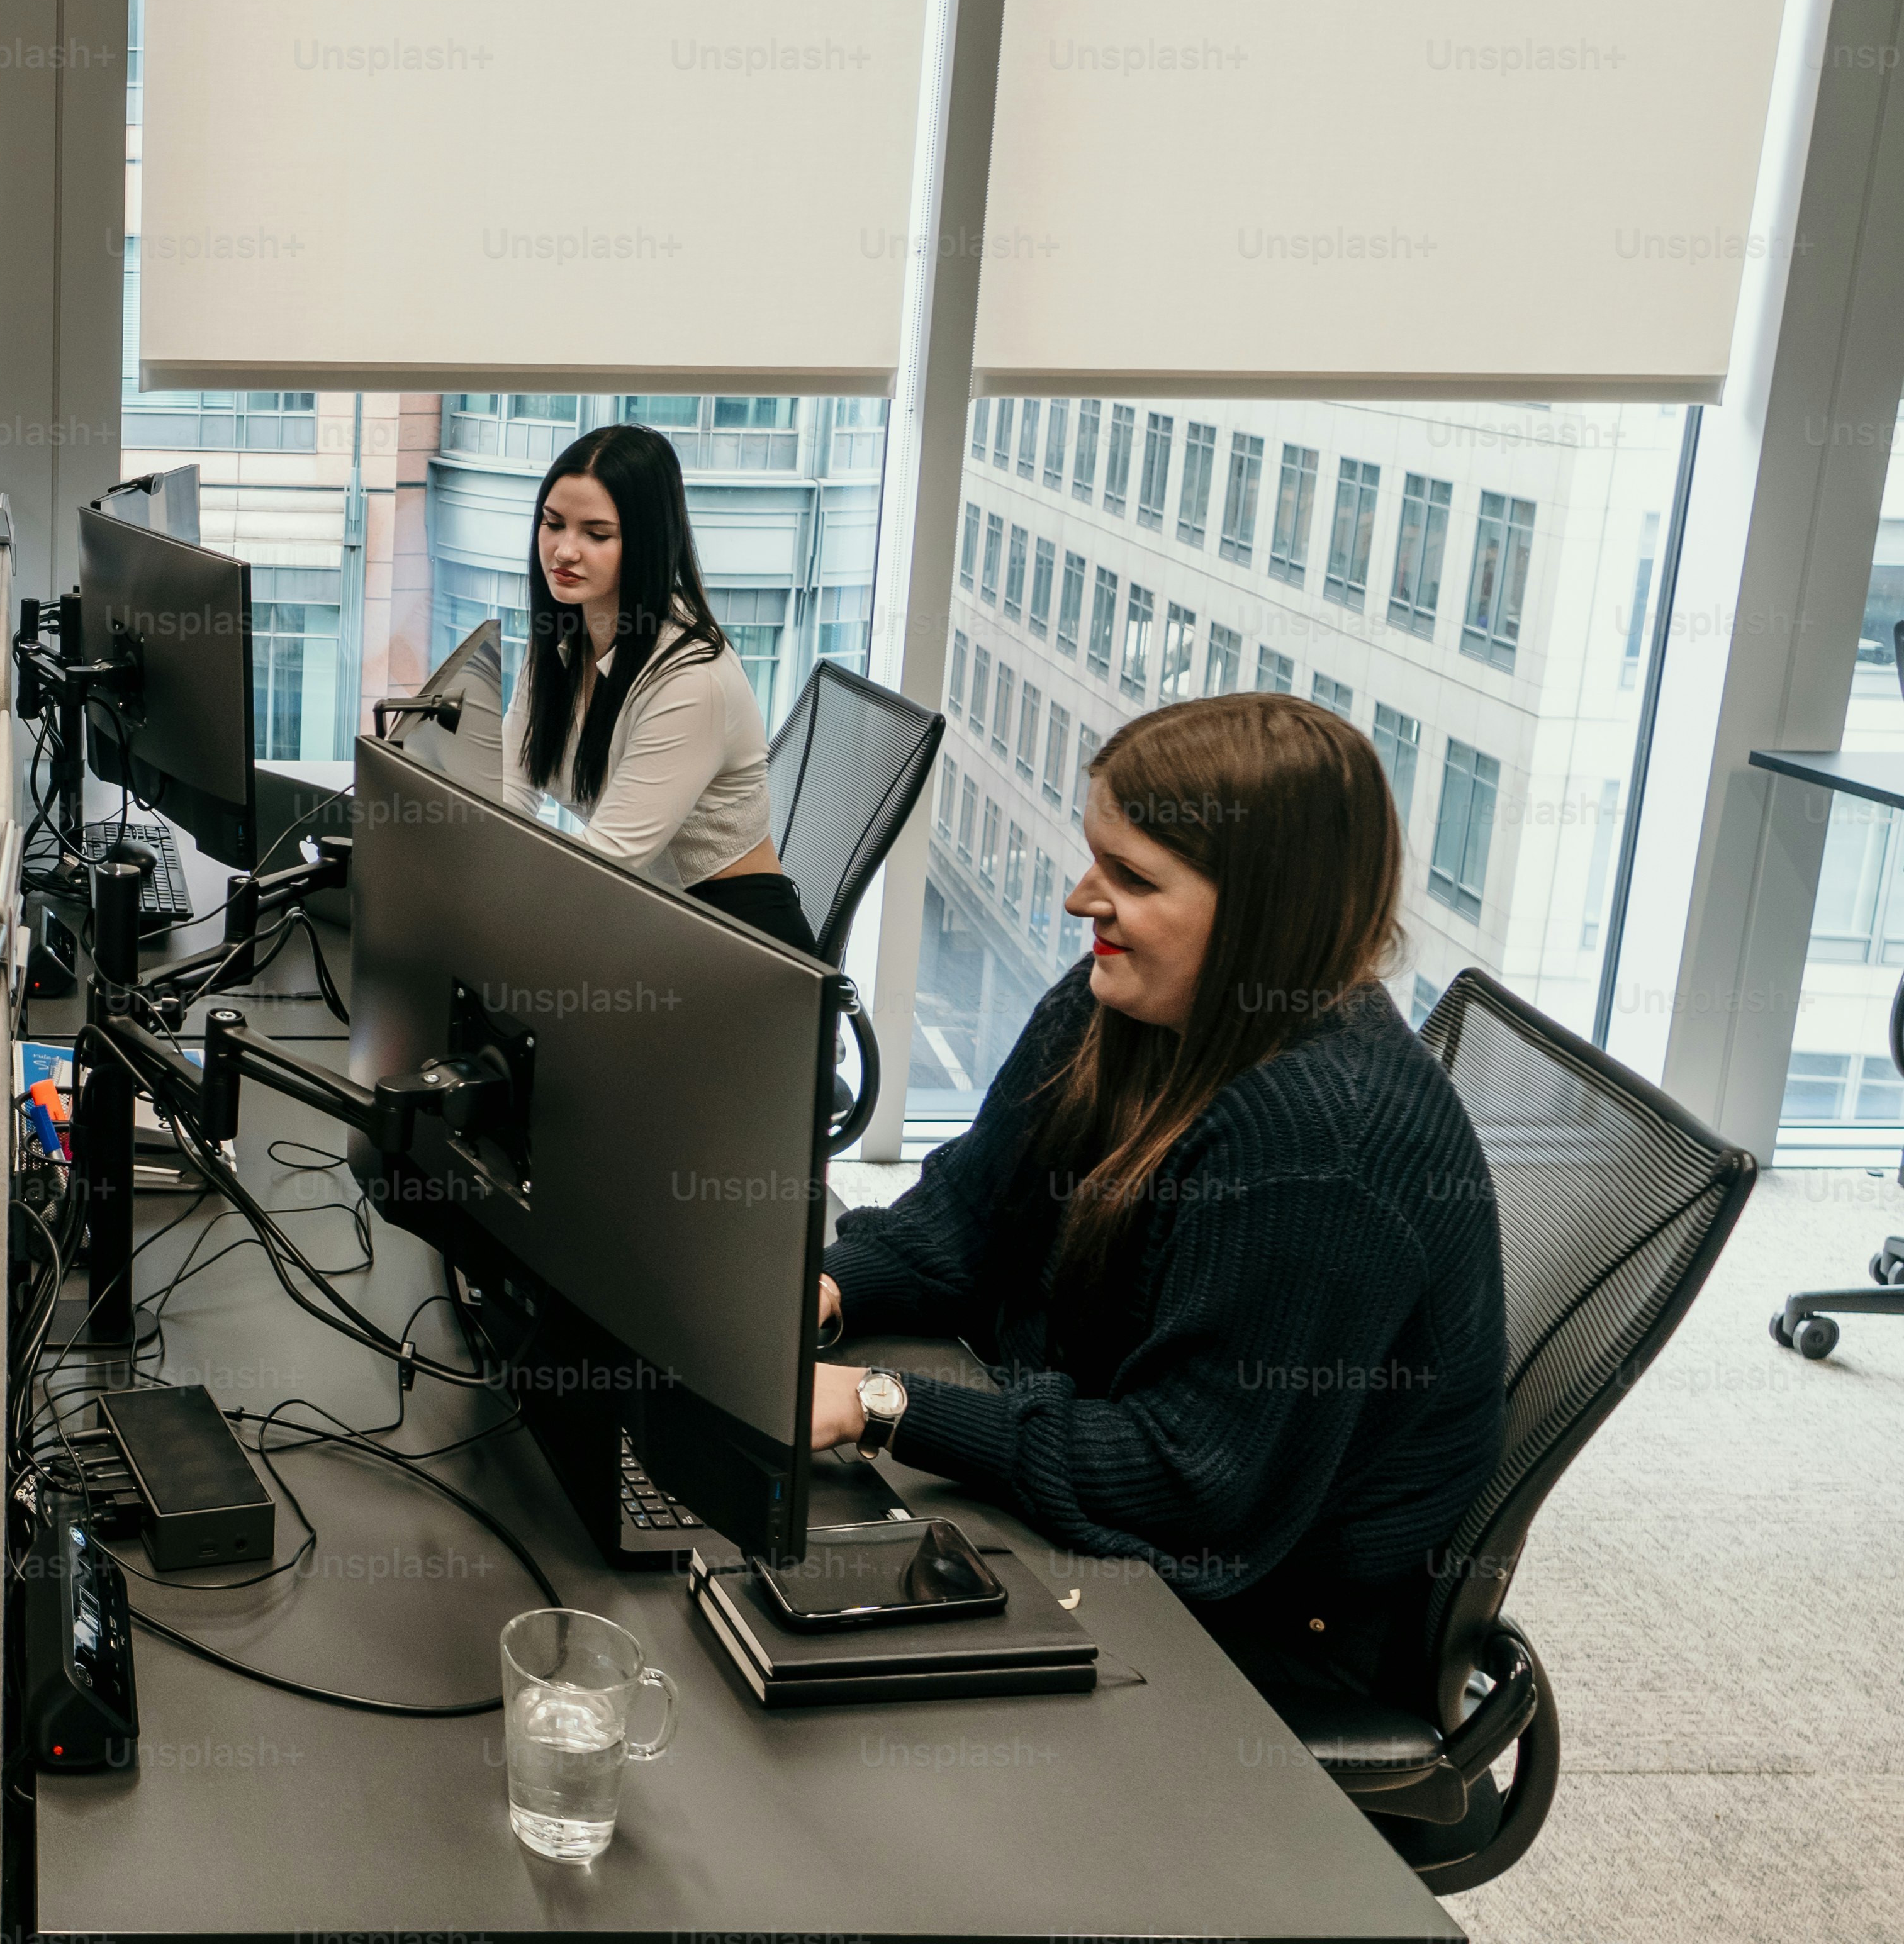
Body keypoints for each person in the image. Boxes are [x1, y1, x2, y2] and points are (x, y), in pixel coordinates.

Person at [810, 694, 1507, 1715]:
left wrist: (887, 1405)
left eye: (1134, 878)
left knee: (816, 1676)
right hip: (1123, 1494)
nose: (1080, 900)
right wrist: (821, 1291)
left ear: (1264, 913)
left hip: (1262, 1626)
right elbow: (966, 1212)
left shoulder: (1324, 1149)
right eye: (1098, 858)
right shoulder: (1136, 997)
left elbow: (1192, 1486)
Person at [496, 422, 815, 948]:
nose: (564, 551)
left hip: (736, 941)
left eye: (597, 534)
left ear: (645, 541)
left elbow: (601, 866)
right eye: (553, 524)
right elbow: (513, 788)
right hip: (645, 910)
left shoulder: (691, 681)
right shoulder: (562, 632)